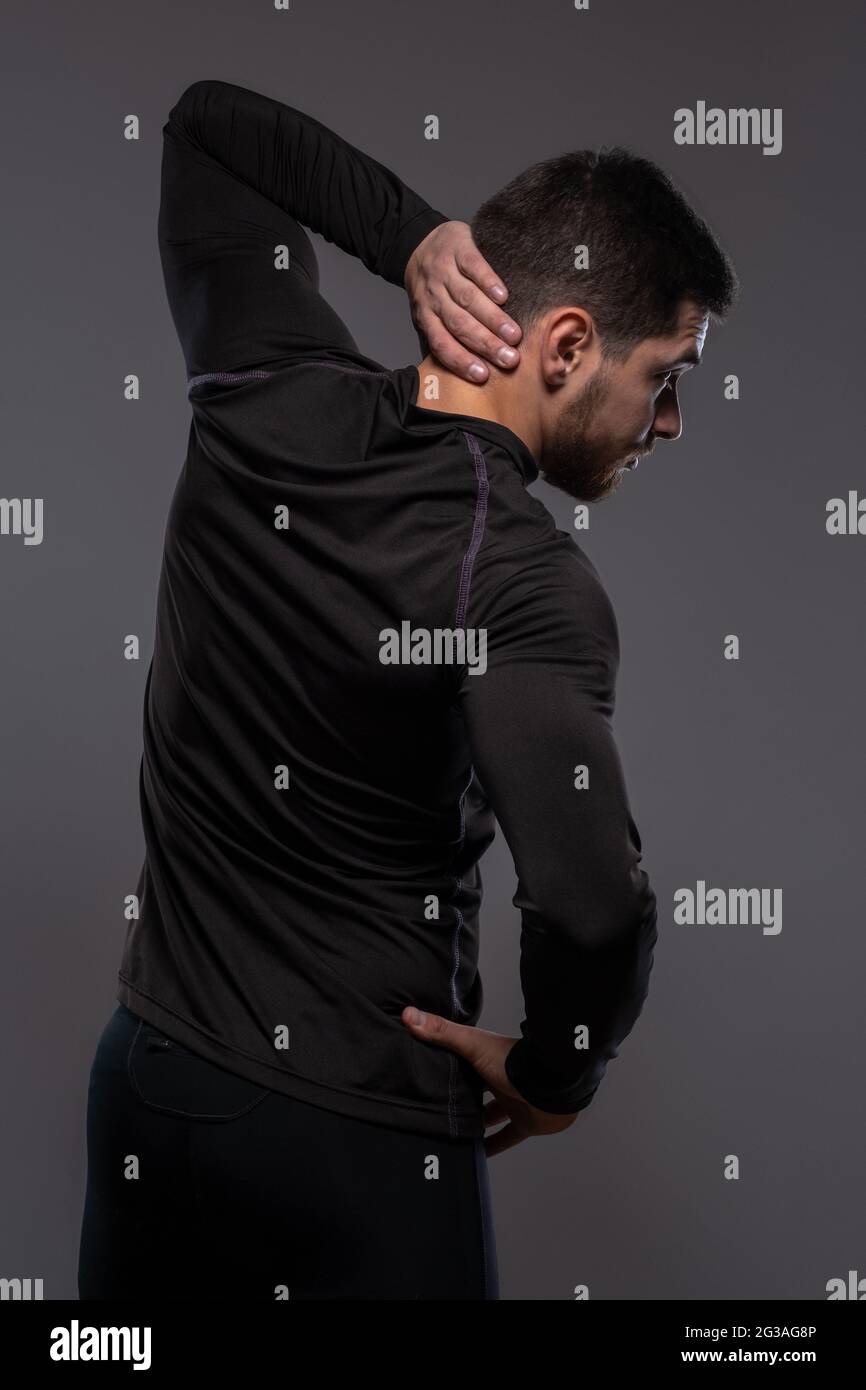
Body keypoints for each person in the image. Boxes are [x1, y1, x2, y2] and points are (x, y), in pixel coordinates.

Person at [78, 78, 738, 1301]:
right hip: (354, 1144)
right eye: (664, 375)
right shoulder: (525, 581)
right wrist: (554, 1074)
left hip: (152, 1085)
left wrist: (411, 236)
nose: (673, 420)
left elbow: (209, 127)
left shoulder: (260, 392)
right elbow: (590, 909)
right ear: (566, 346)